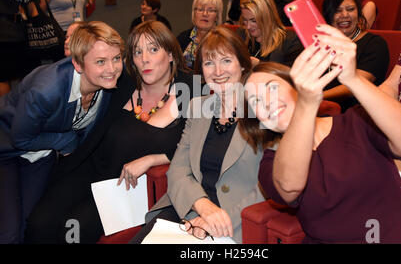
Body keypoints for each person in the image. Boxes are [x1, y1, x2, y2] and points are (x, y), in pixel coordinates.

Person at [241, 24, 401, 243]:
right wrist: (307, 103)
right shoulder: (271, 163)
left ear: (296, 85)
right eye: (254, 101)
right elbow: (289, 187)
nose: (265, 101)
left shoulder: (357, 122)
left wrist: (352, 78)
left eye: (272, 88)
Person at [25, 21, 195, 243]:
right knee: (40, 222)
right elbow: (86, 70)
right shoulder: (122, 82)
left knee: (73, 230)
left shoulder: (190, 87)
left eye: (154, 49)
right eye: (137, 51)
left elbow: (202, 144)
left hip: (127, 188)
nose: (144, 59)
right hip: (89, 170)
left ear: (171, 54)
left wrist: (154, 159)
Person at [129, 25, 265, 244]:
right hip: (187, 208)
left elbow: (269, 184)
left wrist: (218, 218)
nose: (218, 71)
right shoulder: (197, 107)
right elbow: (178, 170)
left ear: (243, 64)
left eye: (226, 61)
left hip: (235, 221)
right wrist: (202, 205)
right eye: (209, 63)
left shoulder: (264, 109)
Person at [0, 21, 124, 243]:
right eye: (101, 61)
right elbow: (20, 138)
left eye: (116, 58)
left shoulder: (107, 85)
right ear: (78, 64)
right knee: (9, 231)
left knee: (33, 224)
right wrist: (66, 142)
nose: (112, 68)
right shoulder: (48, 89)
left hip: (41, 155)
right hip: (7, 149)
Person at [321, 0, 389, 111]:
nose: (344, 15)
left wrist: (315, 96)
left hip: (357, 113)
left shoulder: (375, 44)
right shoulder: (320, 44)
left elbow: (353, 87)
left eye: (350, 9)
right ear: (328, 16)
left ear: (358, 13)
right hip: (318, 108)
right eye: (337, 11)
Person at [0, 0, 41, 96]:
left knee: (29, 74)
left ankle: (26, 109)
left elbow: (33, 10)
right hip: (4, 35)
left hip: (24, 34)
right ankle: (5, 113)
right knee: (3, 76)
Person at [238, 0, 303, 67]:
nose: (248, 26)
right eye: (245, 20)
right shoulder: (241, 36)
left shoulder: (290, 41)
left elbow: (290, 75)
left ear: (267, 18)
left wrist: (260, 66)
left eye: (254, 21)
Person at [177, 0, 223, 69]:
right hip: (184, 80)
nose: (205, 14)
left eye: (211, 10)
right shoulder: (182, 38)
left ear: (217, 16)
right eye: (200, 10)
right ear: (194, 13)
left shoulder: (223, 40)